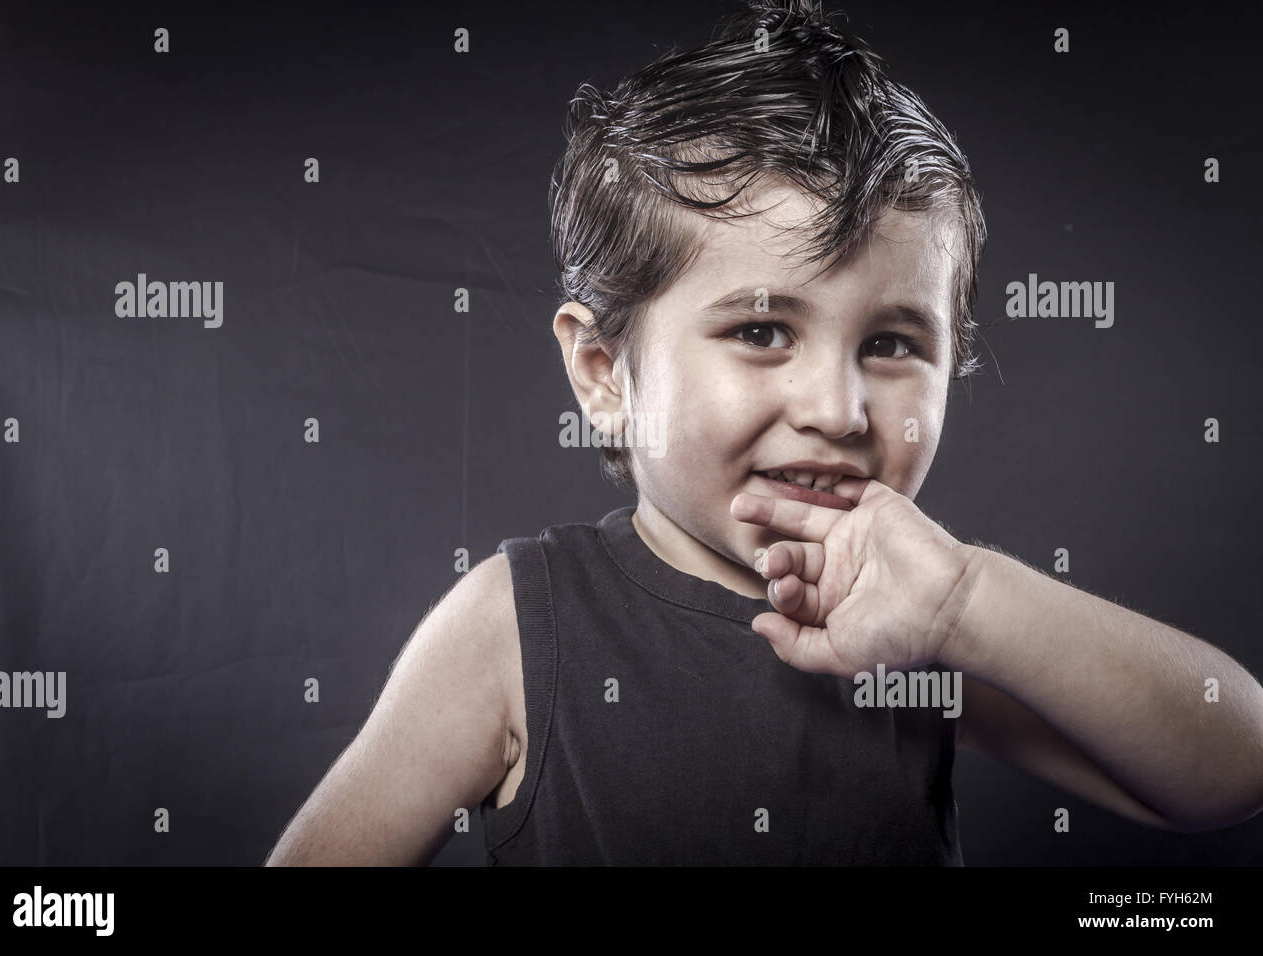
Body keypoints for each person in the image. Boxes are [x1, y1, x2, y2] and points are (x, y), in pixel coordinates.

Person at [265, 0, 1263, 866]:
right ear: (604, 372)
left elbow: (1232, 766)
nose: (836, 408)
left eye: (890, 341)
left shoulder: (923, 615)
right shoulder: (518, 628)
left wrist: (967, 602)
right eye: (759, 329)